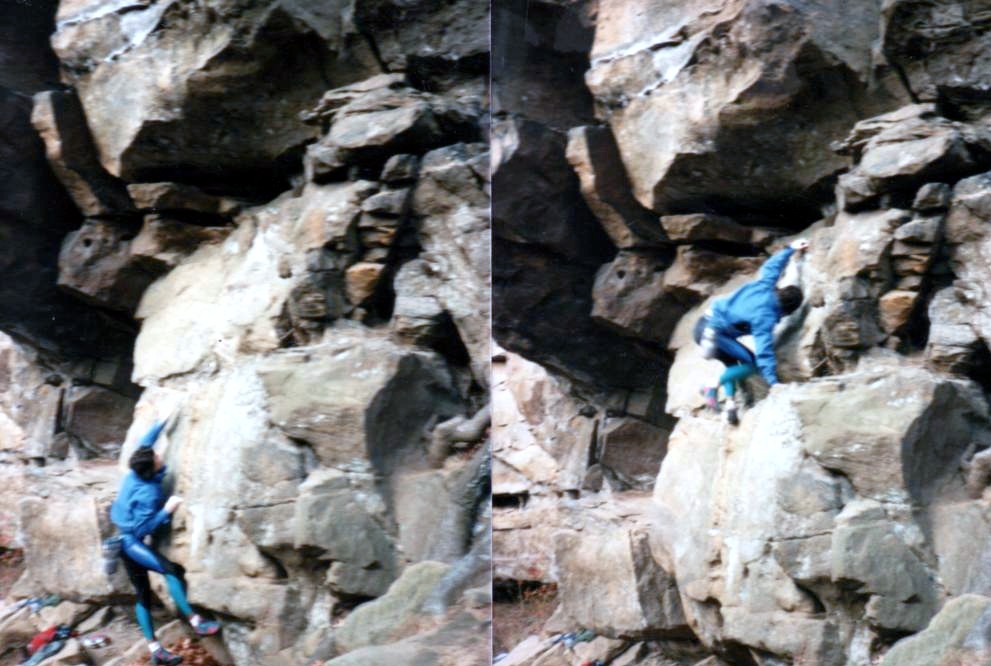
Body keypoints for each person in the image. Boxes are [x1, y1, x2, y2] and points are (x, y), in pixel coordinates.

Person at [110, 409, 220, 666]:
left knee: (142, 595)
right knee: (169, 571)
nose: (159, 456)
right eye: (157, 458)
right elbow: (143, 528)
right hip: (131, 542)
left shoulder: (135, 471)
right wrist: (166, 511)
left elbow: (145, 444)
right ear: (152, 468)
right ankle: (196, 621)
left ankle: (155, 650)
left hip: (121, 540)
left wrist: (162, 421)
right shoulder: (148, 492)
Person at [695, 239, 808, 425]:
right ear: (787, 311)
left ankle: (730, 406)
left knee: (732, 364)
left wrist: (790, 249)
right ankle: (712, 385)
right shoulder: (766, 317)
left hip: (704, 324)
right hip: (715, 332)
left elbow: (772, 266)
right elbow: (764, 351)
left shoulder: (765, 285)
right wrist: (773, 382)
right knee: (753, 364)